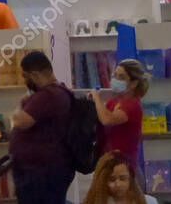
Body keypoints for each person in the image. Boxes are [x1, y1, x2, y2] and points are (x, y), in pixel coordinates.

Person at [9, 50, 75, 203]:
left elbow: (20, 121)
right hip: (46, 170)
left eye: (25, 76)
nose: (25, 80)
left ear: (35, 75)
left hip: (40, 173)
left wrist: (21, 104)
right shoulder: (59, 92)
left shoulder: (48, 96)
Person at [90, 58, 150, 167]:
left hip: (124, 165)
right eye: (114, 75)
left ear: (133, 83)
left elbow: (107, 119)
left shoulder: (132, 105)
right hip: (108, 160)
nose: (115, 79)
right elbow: (100, 119)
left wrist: (96, 97)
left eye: (121, 77)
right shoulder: (113, 102)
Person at [82, 151, 159, 204]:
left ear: (131, 179)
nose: (117, 184)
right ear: (103, 181)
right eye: (112, 179)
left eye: (122, 178)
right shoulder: (93, 202)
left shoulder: (149, 202)